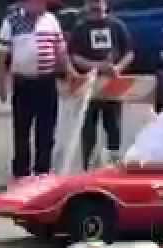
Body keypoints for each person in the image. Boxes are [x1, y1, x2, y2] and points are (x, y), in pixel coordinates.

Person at [0, 0, 68, 180]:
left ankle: (43, 171)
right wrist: (1, 83)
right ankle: (21, 173)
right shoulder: (12, 21)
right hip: (23, 81)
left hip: (47, 81)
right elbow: (2, 54)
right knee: (22, 128)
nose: (40, 6)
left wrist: (70, 73)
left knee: (46, 129)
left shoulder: (51, 20)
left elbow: (60, 50)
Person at [68, 0, 133, 169]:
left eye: (99, 2)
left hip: (113, 85)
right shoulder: (80, 28)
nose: (95, 6)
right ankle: (87, 168)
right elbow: (74, 56)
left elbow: (129, 53)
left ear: (105, 4)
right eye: (92, 3)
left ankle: (113, 166)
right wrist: (97, 66)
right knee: (88, 129)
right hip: (89, 86)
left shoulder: (117, 25)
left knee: (114, 128)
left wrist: (118, 68)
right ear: (86, 5)